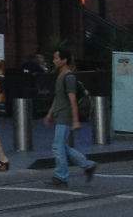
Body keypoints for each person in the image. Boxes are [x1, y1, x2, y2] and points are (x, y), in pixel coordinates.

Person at [43, 47, 96, 187]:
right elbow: (58, 98)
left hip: (65, 117)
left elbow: (72, 100)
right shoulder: (60, 76)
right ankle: (88, 165)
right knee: (62, 146)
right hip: (60, 115)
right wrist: (50, 113)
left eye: (56, 58)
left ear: (64, 60)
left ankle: (61, 176)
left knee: (57, 146)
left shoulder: (69, 77)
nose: (54, 61)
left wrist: (75, 120)